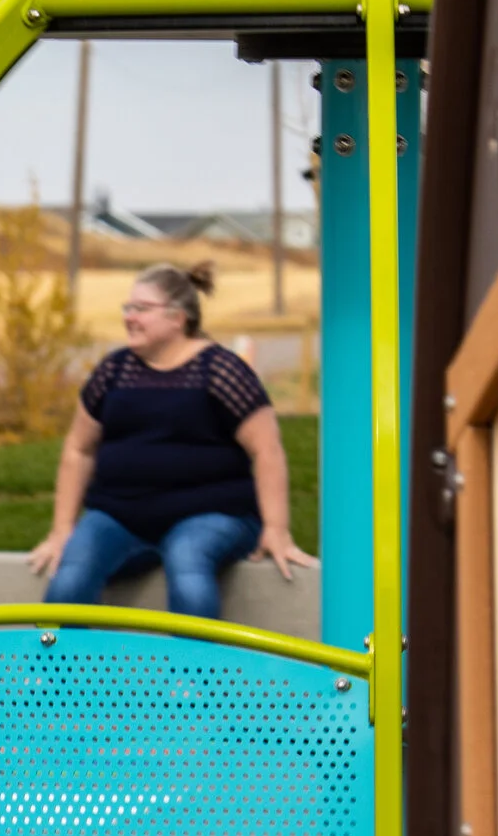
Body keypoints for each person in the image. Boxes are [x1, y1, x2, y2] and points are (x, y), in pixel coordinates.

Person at [26, 261, 317, 616]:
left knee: (188, 561)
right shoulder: (114, 372)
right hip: (120, 517)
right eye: (127, 308)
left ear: (178, 318)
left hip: (214, 516)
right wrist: (62, 530)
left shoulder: (221, 372)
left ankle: (195, 673)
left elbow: (267, 450)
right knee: (69, 581)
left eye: (141, 309)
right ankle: (61, 673)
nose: (129, 317)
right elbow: (78, 449)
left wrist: (276, 529)